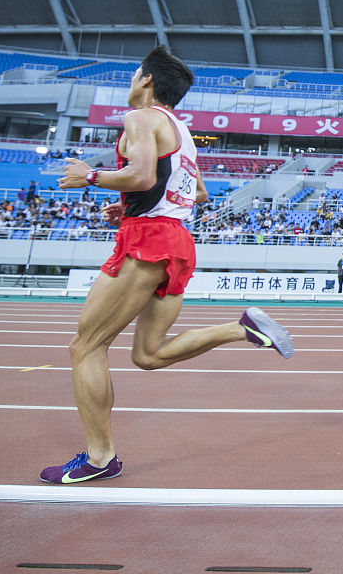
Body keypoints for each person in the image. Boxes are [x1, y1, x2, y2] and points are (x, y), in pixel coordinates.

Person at [40, 45, 293, 485]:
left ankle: (100, 458)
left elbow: (140, 177)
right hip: (174, 240)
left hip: (148, 243)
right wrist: (132, 207)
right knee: (148, 355)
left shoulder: (141, 119)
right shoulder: (182, 130)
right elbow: (195, 193)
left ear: (147, 81)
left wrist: (92, 176)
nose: (131, 82)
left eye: (135, 74)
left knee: (85, 347)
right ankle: (242, 328)